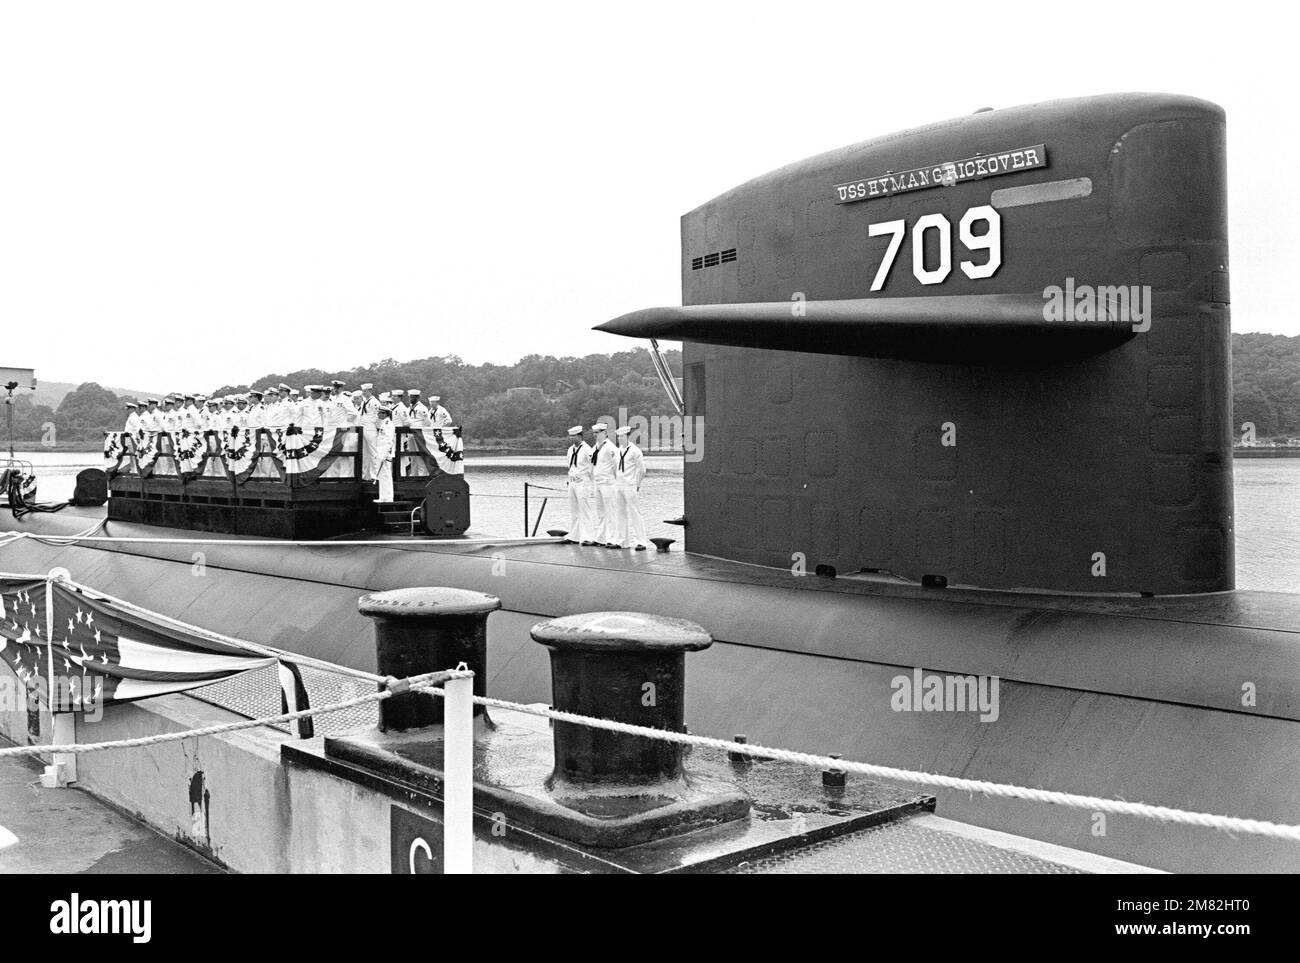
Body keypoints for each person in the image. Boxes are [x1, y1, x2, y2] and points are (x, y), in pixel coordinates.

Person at [614, 426, 649, 550]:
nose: (619, 438)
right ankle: (622, 541)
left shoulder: (635, 451)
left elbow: (642, 470)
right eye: (618, 436)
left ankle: (641, 541)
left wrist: (637, 484)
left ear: (627, 436)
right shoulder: (618, 451)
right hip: (619, 485)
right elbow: (615, 468)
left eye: (622, 436)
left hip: (630, 485)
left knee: (635, 513)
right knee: (620, 513)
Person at [589, 422, 619, 547]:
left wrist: (614, 482)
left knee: (611, 512)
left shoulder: (610, 447)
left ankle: (613, 539)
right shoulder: (595, 447)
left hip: (608, 483)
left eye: (597, 433)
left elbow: (616, 466)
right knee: (600, 512)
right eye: (594, 433)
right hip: (598, 483)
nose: (595, 435)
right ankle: (600, 538)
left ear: (605, 433)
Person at [563, 425, 594, 545]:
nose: (571, 438)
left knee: (585, 510)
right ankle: (574, 536)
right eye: (570, 436)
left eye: (573, 436)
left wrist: (590, 483)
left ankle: (588, 537)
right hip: (572, 482)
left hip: (582, 482)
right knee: (574, 510)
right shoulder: (570, 450)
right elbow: (569, 465)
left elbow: (592, 467)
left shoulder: (587, 449)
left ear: (580, 436)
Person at [356, 383, 380, 481]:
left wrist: (376, 427)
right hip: (363, 427)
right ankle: (365, 475)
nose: (363, 393)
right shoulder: (364, 402)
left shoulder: (374, 402)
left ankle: (375, 475)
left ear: (370, 391)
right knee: (365, 453)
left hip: (370, 428)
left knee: (373, 452)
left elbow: (377, 417)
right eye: (363, 391)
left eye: (365, 391)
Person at [374, 405, 396, 503]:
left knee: (385, 475)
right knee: (382, 475)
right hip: (381, 451)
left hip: (385, 453)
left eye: (380, 413)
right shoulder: (384, 423)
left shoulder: (388, 424)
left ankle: (388, 497)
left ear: (384, 414)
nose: (378, 414)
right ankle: (383, 496)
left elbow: (389, 441)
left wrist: (384, 454)